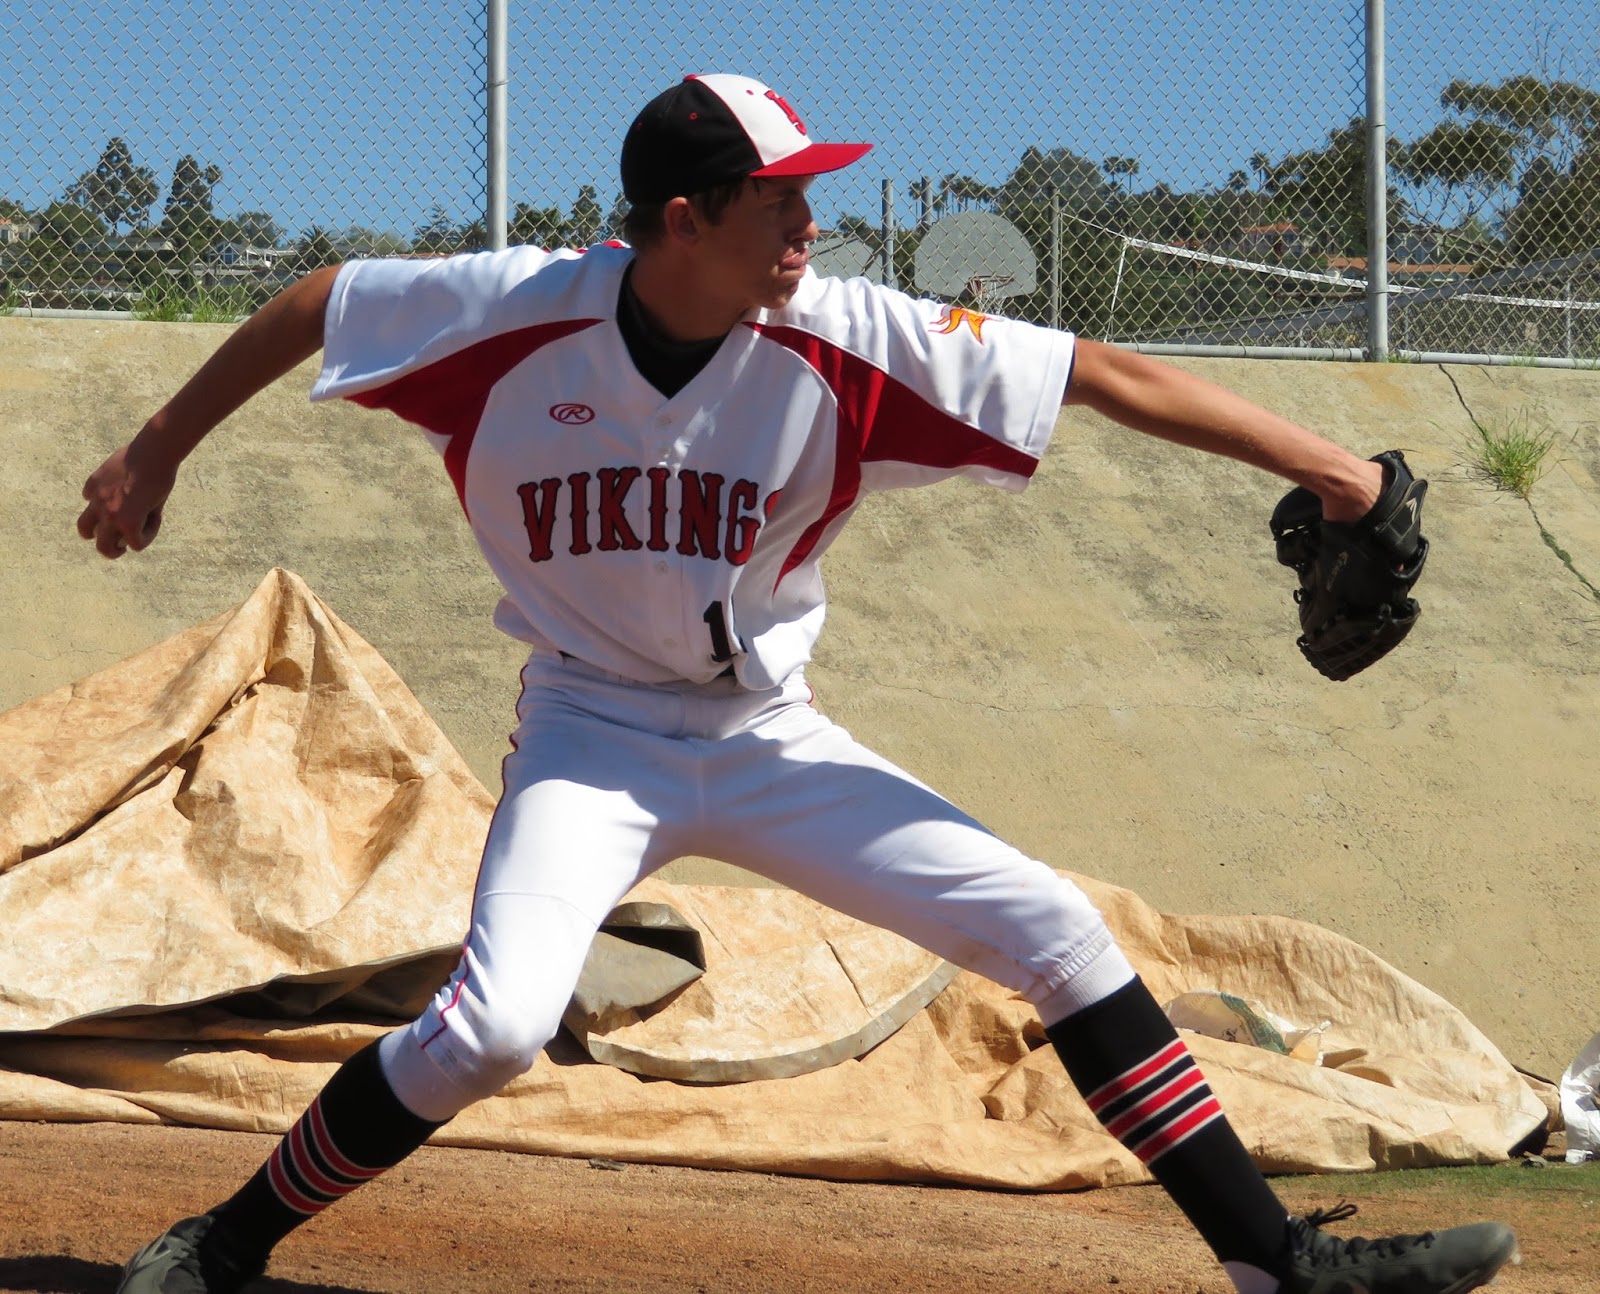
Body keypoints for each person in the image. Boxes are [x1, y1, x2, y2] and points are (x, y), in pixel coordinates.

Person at [81, 73, 1517, 1294]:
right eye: (782, 200)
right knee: (498, 1027)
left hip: (771, 734)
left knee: (1053, 929)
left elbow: (1098, 372)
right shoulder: (508, 313)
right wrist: (158, 446)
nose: (810, 226)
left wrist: (1334, 470)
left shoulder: (844, 334)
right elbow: (319, 301)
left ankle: (1281, 1267)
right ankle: (224, 1243)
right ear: (686, 221)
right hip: (591, 732)